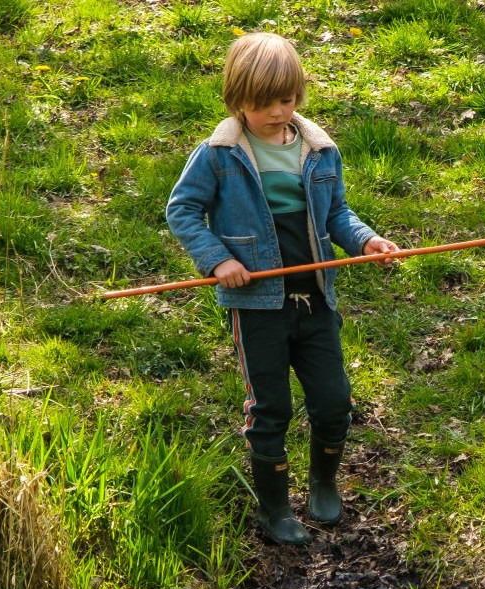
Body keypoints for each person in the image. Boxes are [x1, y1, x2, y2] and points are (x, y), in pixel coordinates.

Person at [166, 31, 400, 546]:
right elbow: (182, 210)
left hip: (315, 298)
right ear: (236, 100)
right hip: (258, 306)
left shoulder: (319, 150)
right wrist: (218, 260)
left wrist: (365, 241)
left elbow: (337, 213)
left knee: (333, 399)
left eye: (287, 100)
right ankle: (275, 508)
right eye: (262, 103)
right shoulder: (220, 154)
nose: (277, 112)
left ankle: (323, 483)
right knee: (270, 406)